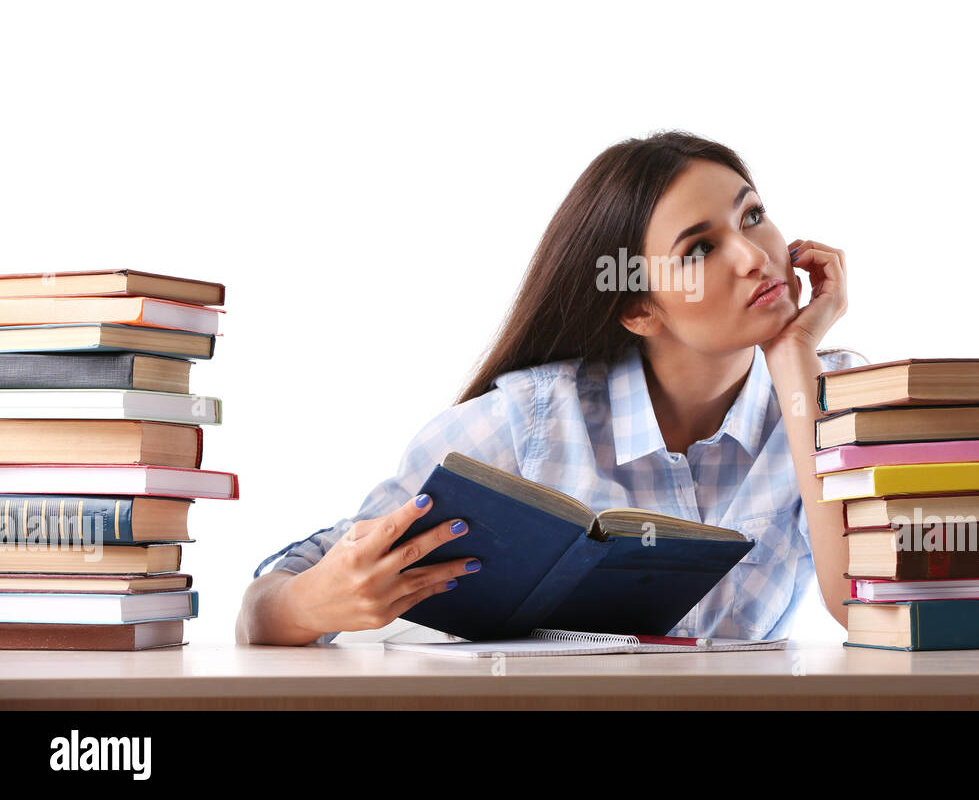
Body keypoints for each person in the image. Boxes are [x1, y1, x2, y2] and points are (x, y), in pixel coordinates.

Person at [235, 131, 860, 646]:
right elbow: (264, 609)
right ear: (640, 308)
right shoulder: (532, 421)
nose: (755, 255)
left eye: (752, 215)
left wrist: (797, 361)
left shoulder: (832, 403)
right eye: (700, 248)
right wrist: (313, 603)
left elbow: (862, 606)